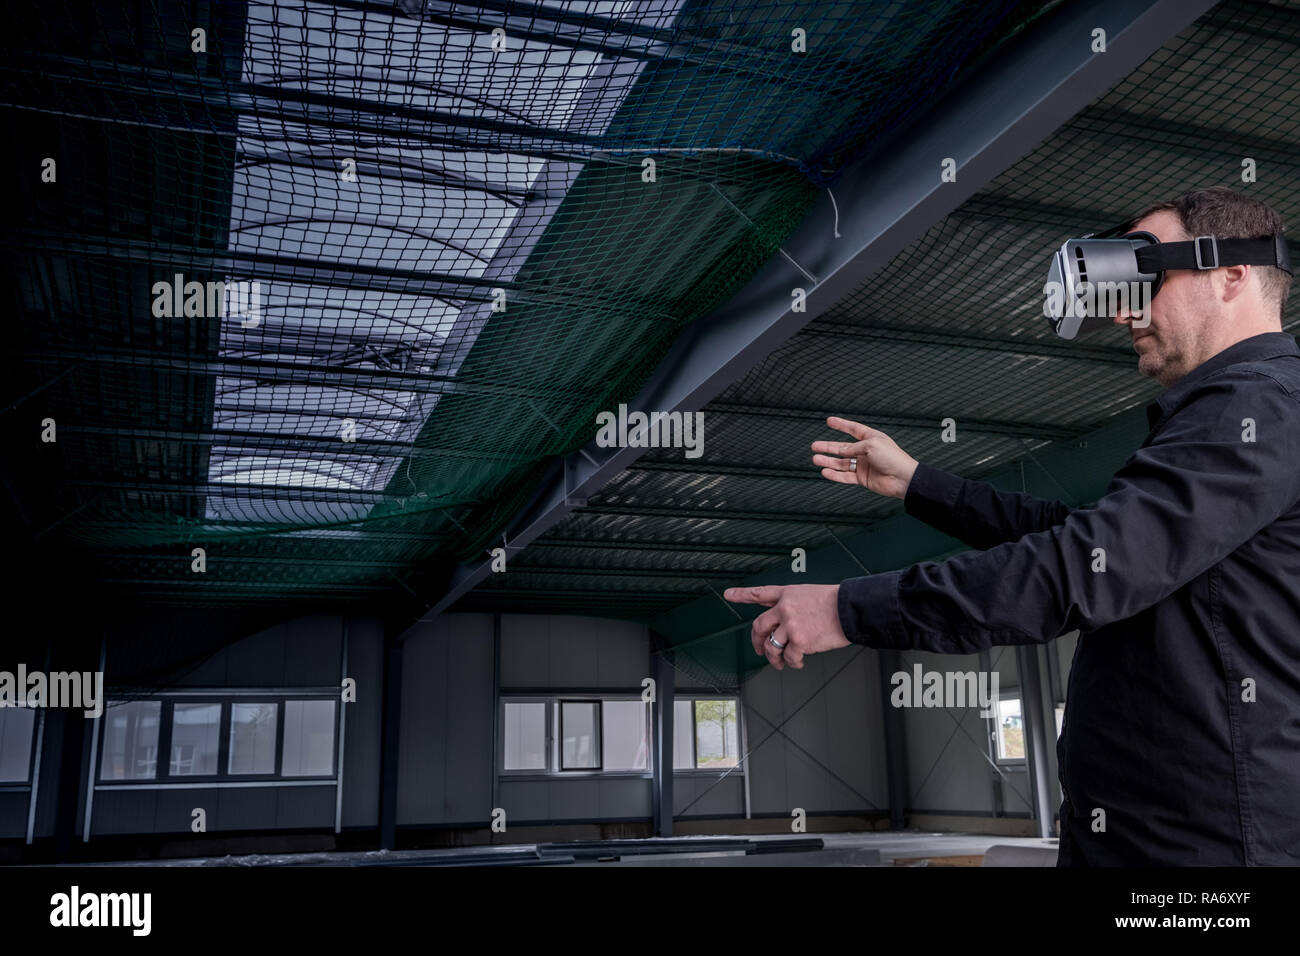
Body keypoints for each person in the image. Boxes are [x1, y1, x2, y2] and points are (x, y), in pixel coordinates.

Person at [725, 186, 1300, 866]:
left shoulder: (1258, 406)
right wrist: (920, 485)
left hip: (1205, 852)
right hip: (1153, 835)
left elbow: (1083, 563)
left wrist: (846, 611)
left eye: (1147, 273)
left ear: (1232, 273)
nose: (1123, 311)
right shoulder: (1234, 412)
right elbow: (1084, 542)